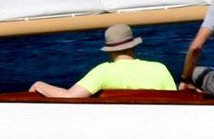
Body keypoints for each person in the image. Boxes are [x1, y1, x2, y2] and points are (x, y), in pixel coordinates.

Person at [33, 20, 174, 100]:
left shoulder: (103, 71)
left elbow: (70, 96)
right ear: (134, 46)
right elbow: (175, 101)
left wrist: (39, 85)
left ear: (110, 51)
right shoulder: (159, 68)